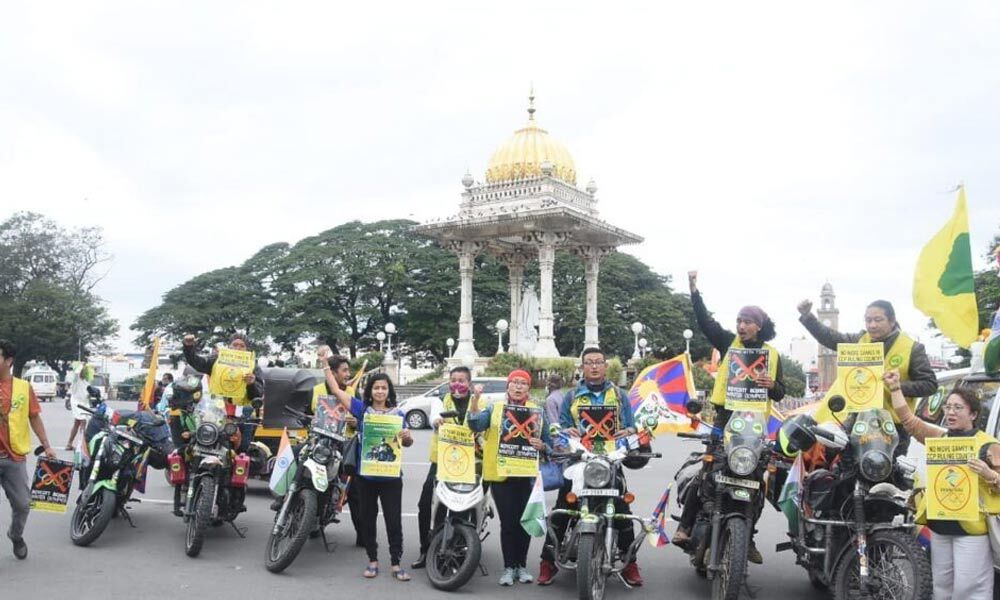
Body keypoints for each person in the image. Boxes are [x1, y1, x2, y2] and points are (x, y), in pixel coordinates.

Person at [674, 271, 785, 564]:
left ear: (759, 326)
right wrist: (694, 291)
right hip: (724, 420)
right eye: (738, 321)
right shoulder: (727, 342)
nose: (741, 326)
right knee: (706, 472)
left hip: (755, 426)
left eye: (747, 321)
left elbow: (780, 393)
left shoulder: (772, 355)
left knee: (756, 484)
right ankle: (685, 526)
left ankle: (747, 538)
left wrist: (771, 385)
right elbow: (705, 322)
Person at [885, 371, 1000, 600]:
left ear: (973, 414)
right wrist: (895, 388)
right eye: (947, 407)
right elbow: (909, 420)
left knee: (970, 588)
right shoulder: (941, 439)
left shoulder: (988, 445)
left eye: (958, 408)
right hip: (940, 526)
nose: (950, 412)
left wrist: (989, 474)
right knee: (941, 587)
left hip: (972, 531)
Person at [537, 348, 643, 586]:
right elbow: (561, 426)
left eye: (598, 362)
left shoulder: (619, 395)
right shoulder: (572, 396)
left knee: (622, 511)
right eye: (589, 362)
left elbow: (632, 426)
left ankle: (630, 564)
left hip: (611, 462)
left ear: (605, 366)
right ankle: (547, 562)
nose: (594, 366)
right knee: (563, 509)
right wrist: (566, 431)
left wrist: (629, 430)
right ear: (582, 367)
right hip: (579, 462)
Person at [797, 297, 937, 454]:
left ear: (892, 321)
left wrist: (897, 387)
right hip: (858, 422)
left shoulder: (912, 348)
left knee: (886, 468)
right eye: (868, 320)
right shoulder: (860, 340)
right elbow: (830, 338)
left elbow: (930, 385)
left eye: (878, 320)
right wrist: (808, 317)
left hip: (893, 426)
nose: (872, 325)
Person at [327, 370, 413, 581]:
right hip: (365, 477)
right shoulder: (362, 410)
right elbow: (336, 390)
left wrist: (407, 436)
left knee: (394, 521)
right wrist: (325, 364)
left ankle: (395, 563)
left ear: (389, 391)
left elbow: (408, 443)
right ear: (370, 391)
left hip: (391, 478)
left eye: (384, 388)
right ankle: (372, 560)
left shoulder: (398, 414)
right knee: (367, 519)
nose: (380, 391)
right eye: (376, 388)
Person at [468, 369, 551, 586]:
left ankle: (521, 566)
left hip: (526, 476)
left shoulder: (538, 411)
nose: (518, 386)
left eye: (523, 383)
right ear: (508, 386)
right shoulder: (494, 408)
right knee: (508, 523)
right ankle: (508, 567)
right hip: (501, 475)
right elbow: (475, 425)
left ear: (528, 388)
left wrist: (542, 446)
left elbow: (549, 443)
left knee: (525, 522)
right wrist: (475, 399)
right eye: (514, 382)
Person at [412, 365, 475, 569]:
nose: (457, 384)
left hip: (469, 463)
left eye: (461, 380)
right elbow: (434, 416)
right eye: (453, 380)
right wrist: (437, 421)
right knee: (425, 503)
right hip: (441, 462)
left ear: (469, 383)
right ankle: (426, 549)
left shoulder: (477, 402)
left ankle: (460, 549)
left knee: (462, 507)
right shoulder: (440, 400)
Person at [0, 339, 57, 560]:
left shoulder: (23, 387)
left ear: (8, 361)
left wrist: (47, 445)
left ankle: (16, 535)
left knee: (23, 505)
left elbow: (34, 417)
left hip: (14, 457)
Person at [181, 333, 264, 452]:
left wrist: (252, 383)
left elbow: (258, 394)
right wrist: (188, 347)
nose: (238, 348)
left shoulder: (253, 366)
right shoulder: (217, 360)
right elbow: (198, 362)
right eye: (235, 345)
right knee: (194, 443)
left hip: (240, 416)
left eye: (242, 346)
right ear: (229, 346)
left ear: (247, 349)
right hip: (213, 412)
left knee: (243, 450)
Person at [319, 354, 366, 547]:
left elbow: (363, 417)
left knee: (354, 491)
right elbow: (305, 412)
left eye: (348, 370)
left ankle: (363, 535)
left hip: (346, 446)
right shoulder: (316, 390)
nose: (348, 374)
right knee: (296, 461)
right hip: (320, 444)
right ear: (332, 372)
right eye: (344, 370)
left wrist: (355, 422)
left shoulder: (353, 393)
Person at [65, 364, 93, 450]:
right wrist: (81, 365)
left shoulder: (86, 382)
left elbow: (87, 393)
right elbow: (77, 372)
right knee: (83, 422)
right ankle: (81, 445)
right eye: (83, 371)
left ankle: (69, 443)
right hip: (77, 402)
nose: (85, 372)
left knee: (77, 423)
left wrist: (90, 396)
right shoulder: (76, 380)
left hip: (84, 403)